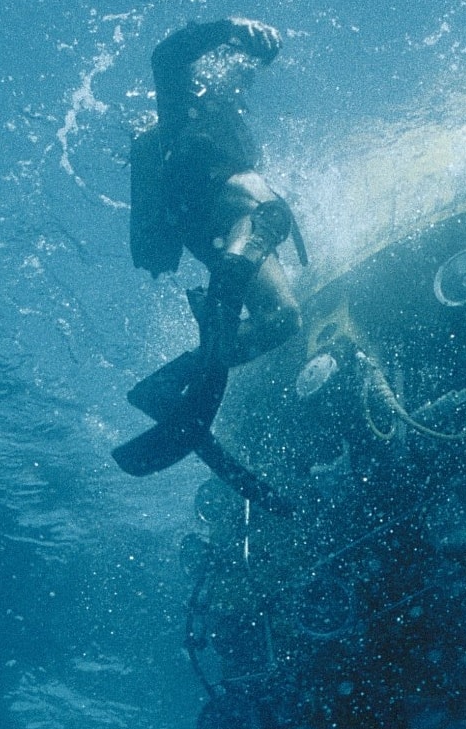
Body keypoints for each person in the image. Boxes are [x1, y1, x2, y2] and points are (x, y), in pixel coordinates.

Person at [113, 16, 304, 476]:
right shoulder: (183, 106)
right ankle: (221, 302)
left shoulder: (229, 122)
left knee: (282, 320)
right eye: (233, 66)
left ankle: (173, 379)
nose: (241, 74)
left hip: (222, 230)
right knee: (269, 211)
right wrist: (227, 27)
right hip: (234, 213)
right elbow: (165, 56)